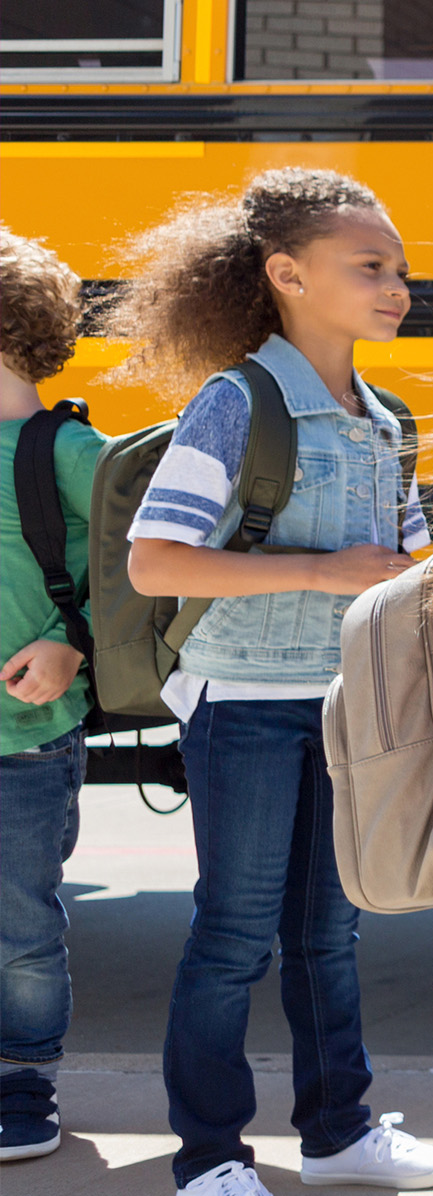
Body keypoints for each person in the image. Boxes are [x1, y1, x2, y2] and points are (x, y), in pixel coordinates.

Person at [109, 169, 433, 1195]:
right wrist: (320, 569)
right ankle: (211, 1158)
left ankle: (339, 1135)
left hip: (347, 710)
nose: (397, 286)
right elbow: (154, 560)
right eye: (370, 267)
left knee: (327, 935)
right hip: (247, 708)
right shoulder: (237, 401)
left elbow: (396, 564)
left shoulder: (385, 418)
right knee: (233, 933)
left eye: (400, 270)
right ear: (286, 274)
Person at [0, 227, 102, 1164]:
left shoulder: (65, 449)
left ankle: (23, 1085)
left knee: (23, 926)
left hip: (26, 736)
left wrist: (72, 644)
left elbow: (139, 571)